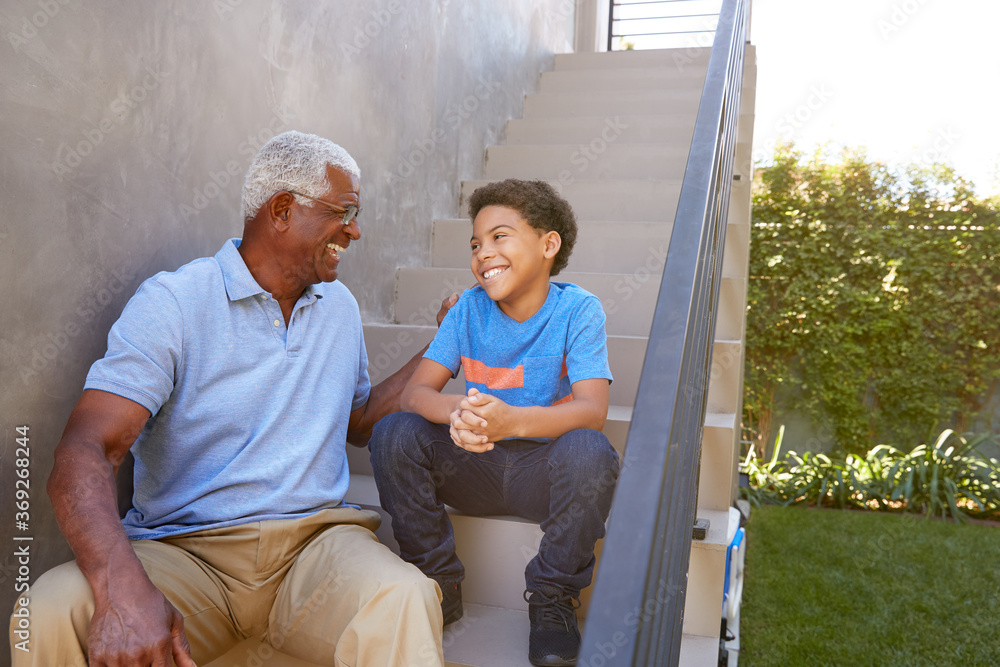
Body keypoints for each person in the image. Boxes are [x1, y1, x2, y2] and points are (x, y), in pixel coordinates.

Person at [9, 130, 454, 667]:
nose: (355, 230)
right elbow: (86, 449)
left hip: (313, 551)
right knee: (51, 611)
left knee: (403, 596)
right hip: (185, 555)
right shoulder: (173, 303)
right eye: (345, 211)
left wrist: (444, 347)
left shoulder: (339, 307)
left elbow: (356, 420)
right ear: (283, 210)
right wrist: (118, 586)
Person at [369, 179, 620, 667]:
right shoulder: (467, 309)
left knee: (591, 451)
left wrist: (512, 422)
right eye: (475, 244)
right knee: (392, 433)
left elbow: (593, 409)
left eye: (499, 237)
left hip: (541, 474)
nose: (484, 253)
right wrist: (459, 414)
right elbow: (417, 392)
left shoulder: (578, 310)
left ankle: (552, 596)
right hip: (472, 467)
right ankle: (438, 580)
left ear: (549, 245)